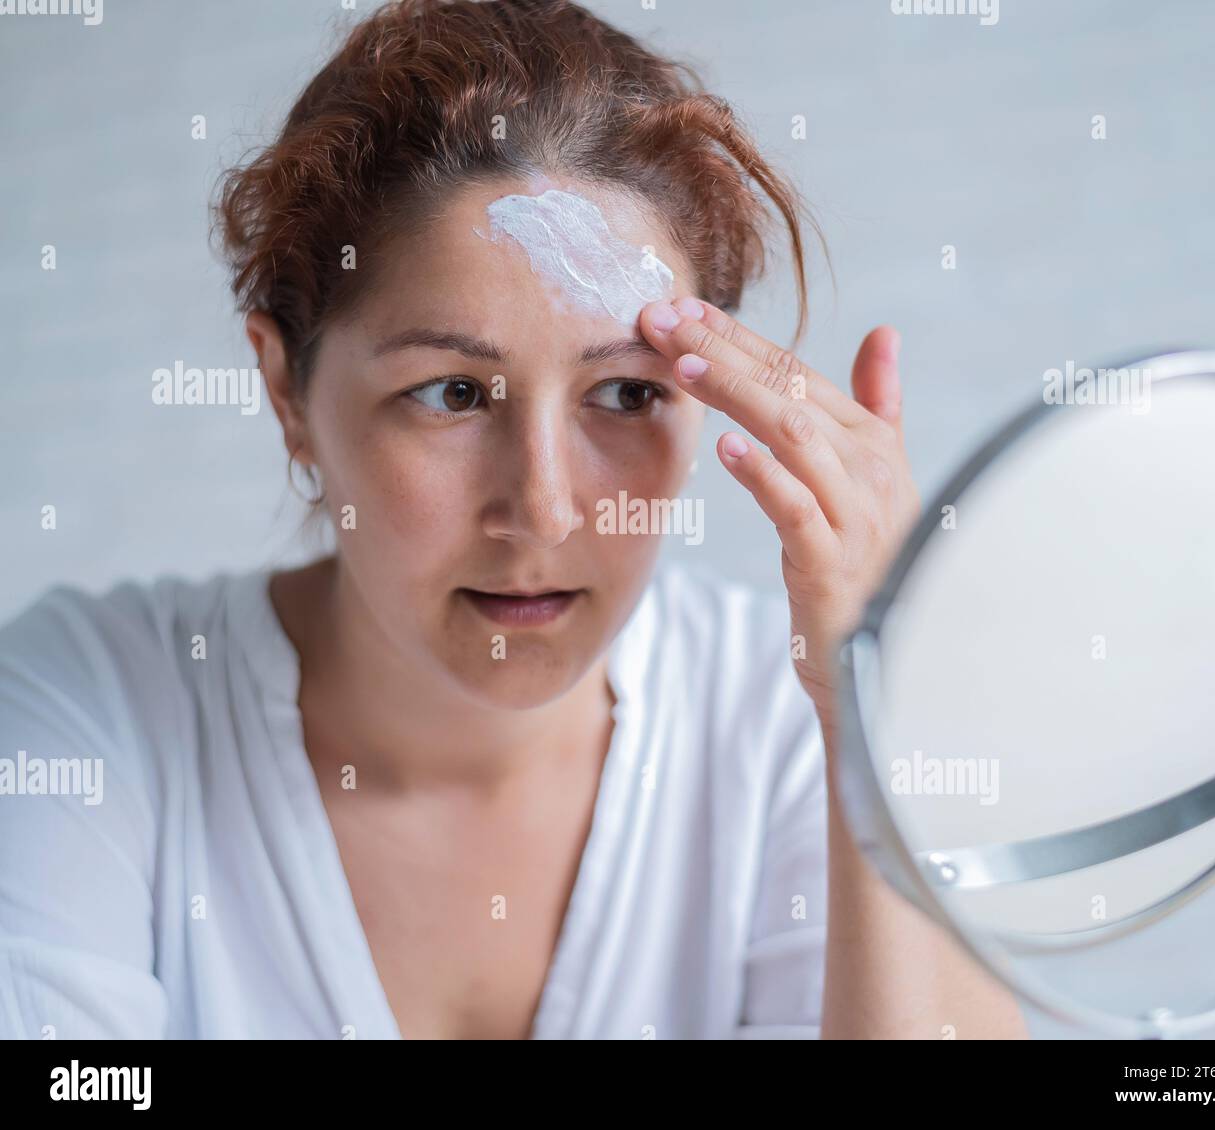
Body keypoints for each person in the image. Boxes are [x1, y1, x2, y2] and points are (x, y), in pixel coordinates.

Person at [0, 0, 1026, 1039]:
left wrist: (876, 723)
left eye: (625, 393)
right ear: (286, 392)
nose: (542, 508)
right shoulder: (87, 717)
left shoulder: (789, 730)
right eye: (451, 392)